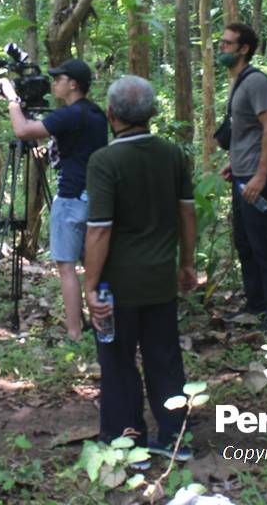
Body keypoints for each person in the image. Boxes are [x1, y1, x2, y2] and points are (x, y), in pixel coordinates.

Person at [83, 75, 197, 468]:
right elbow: (187, 210)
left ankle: (126, 442)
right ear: (151, 113)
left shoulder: (105, 161)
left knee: (117, 362)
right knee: (164, 358)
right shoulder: (172, 154)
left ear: (111, 113)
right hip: (161, 281)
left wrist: (90, 283)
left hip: (118, 286)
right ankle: (174, 437)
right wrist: (187, 262)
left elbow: (99, 229)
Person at [0, 58, 109, 341]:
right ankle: (105, 328)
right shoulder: (95, 113)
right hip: (95, 199)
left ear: (73, 85)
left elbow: (22, 130)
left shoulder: (70, 114)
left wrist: (12, 100)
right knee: (95, 267)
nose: (54, 83)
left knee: (66, 267)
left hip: (71, 199)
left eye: (59, 79)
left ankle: (74, 332)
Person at [217, 23, 267, 326]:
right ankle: (256, 305)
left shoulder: (256, 81)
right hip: (241, 176)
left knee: (265, 246)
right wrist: (235, 163)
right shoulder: (237, 82)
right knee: (245, 243)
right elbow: (247, 133)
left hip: (258, 180)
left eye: (227, 44)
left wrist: (260, 176)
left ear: (243, 48)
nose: (221, 48)